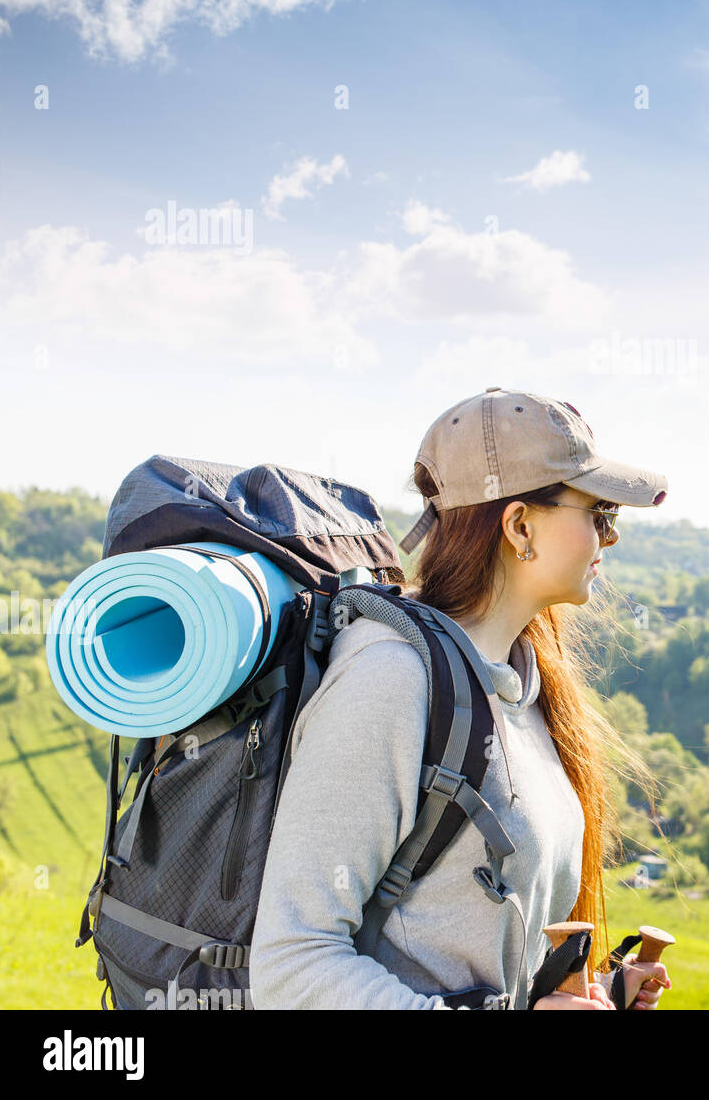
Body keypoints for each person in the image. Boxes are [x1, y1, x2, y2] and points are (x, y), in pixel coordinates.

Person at [250, 387, 674, 1011]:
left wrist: (597, 990)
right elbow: (293, 965)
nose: (609, 538)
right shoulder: (389, 682)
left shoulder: (522, 684)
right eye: (600, 513)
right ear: (520, 525)